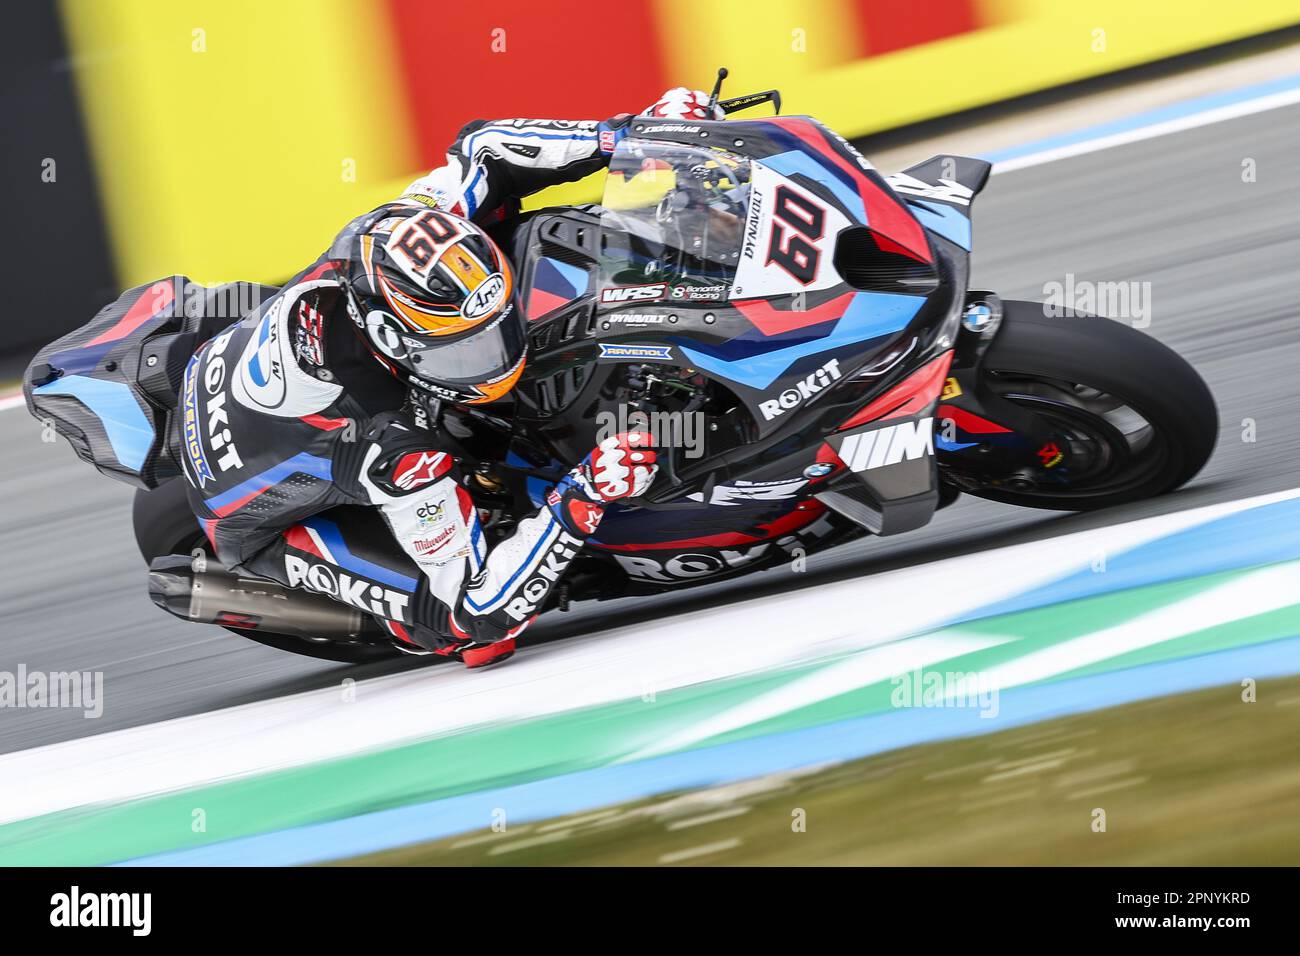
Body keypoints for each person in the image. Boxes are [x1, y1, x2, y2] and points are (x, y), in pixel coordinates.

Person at [178, 89, 723, 667]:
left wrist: (633, 135)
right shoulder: (391, 445)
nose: (501, 360)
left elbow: (485, 148)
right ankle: (381, 610)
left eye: (498, 330)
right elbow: (480, 604)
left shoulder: (405, 236)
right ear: (394, 342)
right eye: (468, 353)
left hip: (251, 381)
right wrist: (586, 491)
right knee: (469, 633)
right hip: (259, 519)